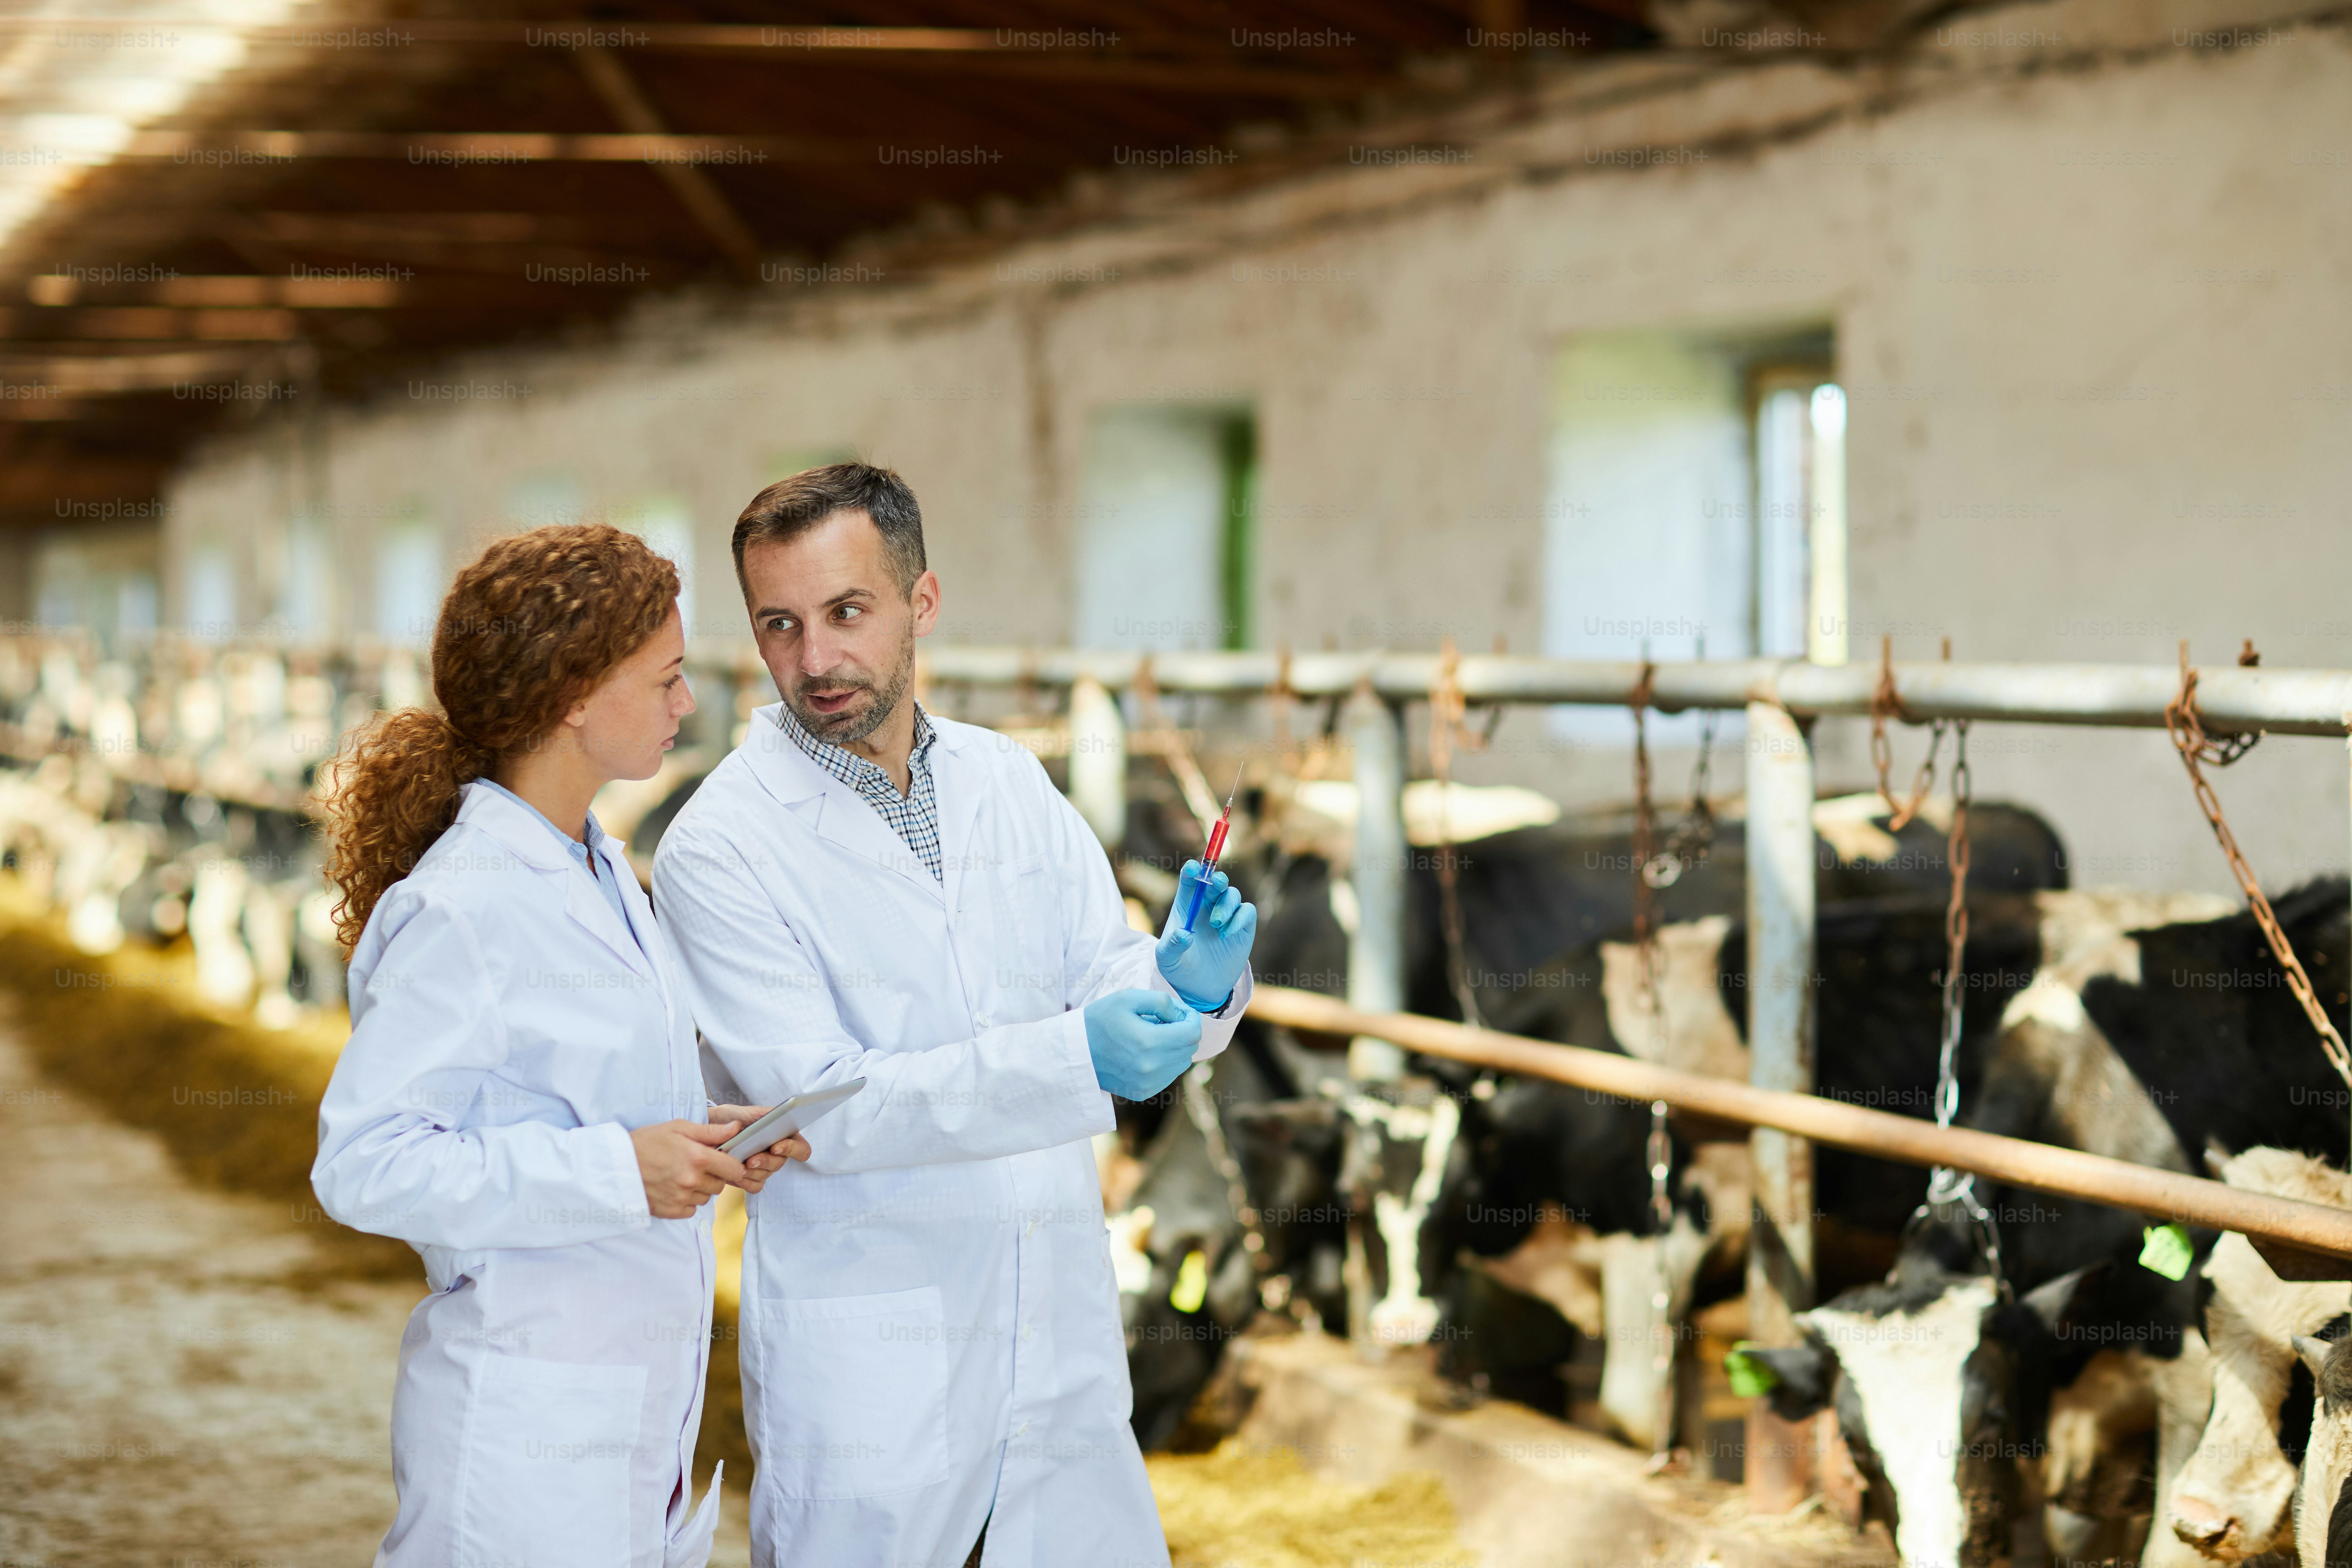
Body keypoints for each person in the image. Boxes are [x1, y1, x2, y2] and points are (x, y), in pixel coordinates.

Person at [652, 463, 1258, 1568]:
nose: (814, 659)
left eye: (847, 612)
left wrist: (1191, 987)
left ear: (921, 602)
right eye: (779, 624)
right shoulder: (720, 846)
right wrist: (1076, 1056)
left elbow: (1106, 978)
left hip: (1059, 1353)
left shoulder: (1006, 781)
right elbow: (823, 1106)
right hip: (879, 1381)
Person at [312, 523, 809, 1568]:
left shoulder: (600, 867)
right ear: (575, 695)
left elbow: (586, 1094)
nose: (688, 704)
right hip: (520, 1435)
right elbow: (364, 1165)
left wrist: (708, 1137)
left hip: (630, 1415)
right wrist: (622, 1171)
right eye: (666, 679)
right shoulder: (463, 905)